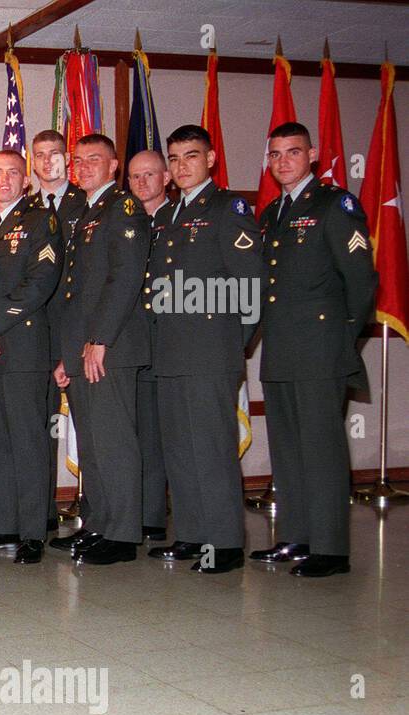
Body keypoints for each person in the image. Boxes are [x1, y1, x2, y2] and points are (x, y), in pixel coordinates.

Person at [252, 121, 376, 578]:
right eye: (276, 154)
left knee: (321, 447)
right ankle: (295, 537)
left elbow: (362, 281)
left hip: (320, 347)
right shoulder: (271, 215)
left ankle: (330, 549)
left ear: (314, 154)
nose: (283, 161)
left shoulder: (333, 205)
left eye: (293, 152)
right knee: (287, 446)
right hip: (281, 346)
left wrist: (341, 336)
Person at [144, 125, 264, 574]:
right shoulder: (167, 215)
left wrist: (230, 347)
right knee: (179, 448)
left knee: (211, 449)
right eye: (173, 159)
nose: (181, 166)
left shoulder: (227, 208)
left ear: (211, 159)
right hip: (171, 352)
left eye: (191, 156)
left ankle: (225, 544)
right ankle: (194, 536)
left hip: (210, 352)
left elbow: (250, 284)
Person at [48, 134, 150, 565]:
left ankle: (123, 535)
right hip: (83, 349)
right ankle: (98, 525)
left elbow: (124, 278)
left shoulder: (122, 207)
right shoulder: (86, 213)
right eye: (79, 160)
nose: (85, 166)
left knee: (114, 442)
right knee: (92, 444)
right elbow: (75, 292)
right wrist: (67, 353)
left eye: (95, 159)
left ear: (114, 167)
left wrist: (100, 340)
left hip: (110, 347)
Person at [0, 150, 63, 564]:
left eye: (13, 174)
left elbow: (39, 282)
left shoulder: (42, 221)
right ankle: (1, 524)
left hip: (20, 347)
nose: (4, 180)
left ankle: (31, 532)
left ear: (26, 182)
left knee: (27, 442)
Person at [30, 130, 88, 535]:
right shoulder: (27, 207)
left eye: (54, 153)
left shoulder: (86, 202)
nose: (47, 160)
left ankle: (95, 516)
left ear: (66, 159)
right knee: (40, 428)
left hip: (80, 332)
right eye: (39, 154)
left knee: (92, 428)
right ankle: (42, 512)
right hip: (37, 336)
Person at [126, 148, 173, 541]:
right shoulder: (124, 221)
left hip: (170, 344)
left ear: (167, 176)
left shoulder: (177, 220)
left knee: (161, 435)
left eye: (150, 175)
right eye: (135, 177)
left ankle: (153, 518)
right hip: (131, 342)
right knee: (136, 433)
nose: (142, 183)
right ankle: (138, 513)